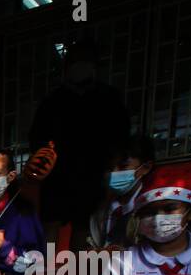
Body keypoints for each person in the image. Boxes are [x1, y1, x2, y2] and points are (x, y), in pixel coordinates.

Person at [28, 37, 132, 246]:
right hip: (56, 177)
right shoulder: (53, 101)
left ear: (95, 65)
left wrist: (112, 167)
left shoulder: (108, 98)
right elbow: (36, 139)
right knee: (50, 225)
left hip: (92, 174)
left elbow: (121, 138)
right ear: (66, 67)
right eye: (75, 60)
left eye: (85, 59)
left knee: (83, 228)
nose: (80, 65)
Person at [85, 135, 155, 249]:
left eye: (123, 166)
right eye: (109, 168)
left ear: (145, 167)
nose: (114, 173)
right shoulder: (101, 210)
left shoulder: (153, 210)